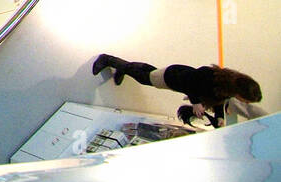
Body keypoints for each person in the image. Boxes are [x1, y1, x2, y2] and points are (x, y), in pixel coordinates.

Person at [91, 55, 262, 128]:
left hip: (177, 78)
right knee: (144, 77)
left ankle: (125, 68)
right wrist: (195, 103)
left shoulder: (227, 87)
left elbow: (219, 101)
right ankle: (109, 60)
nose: (245, 103)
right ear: (240, 93)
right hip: (174, 77)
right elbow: (191, 84)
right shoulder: (212, 77)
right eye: (246, 100)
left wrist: (219, 117)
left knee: (147, 74)